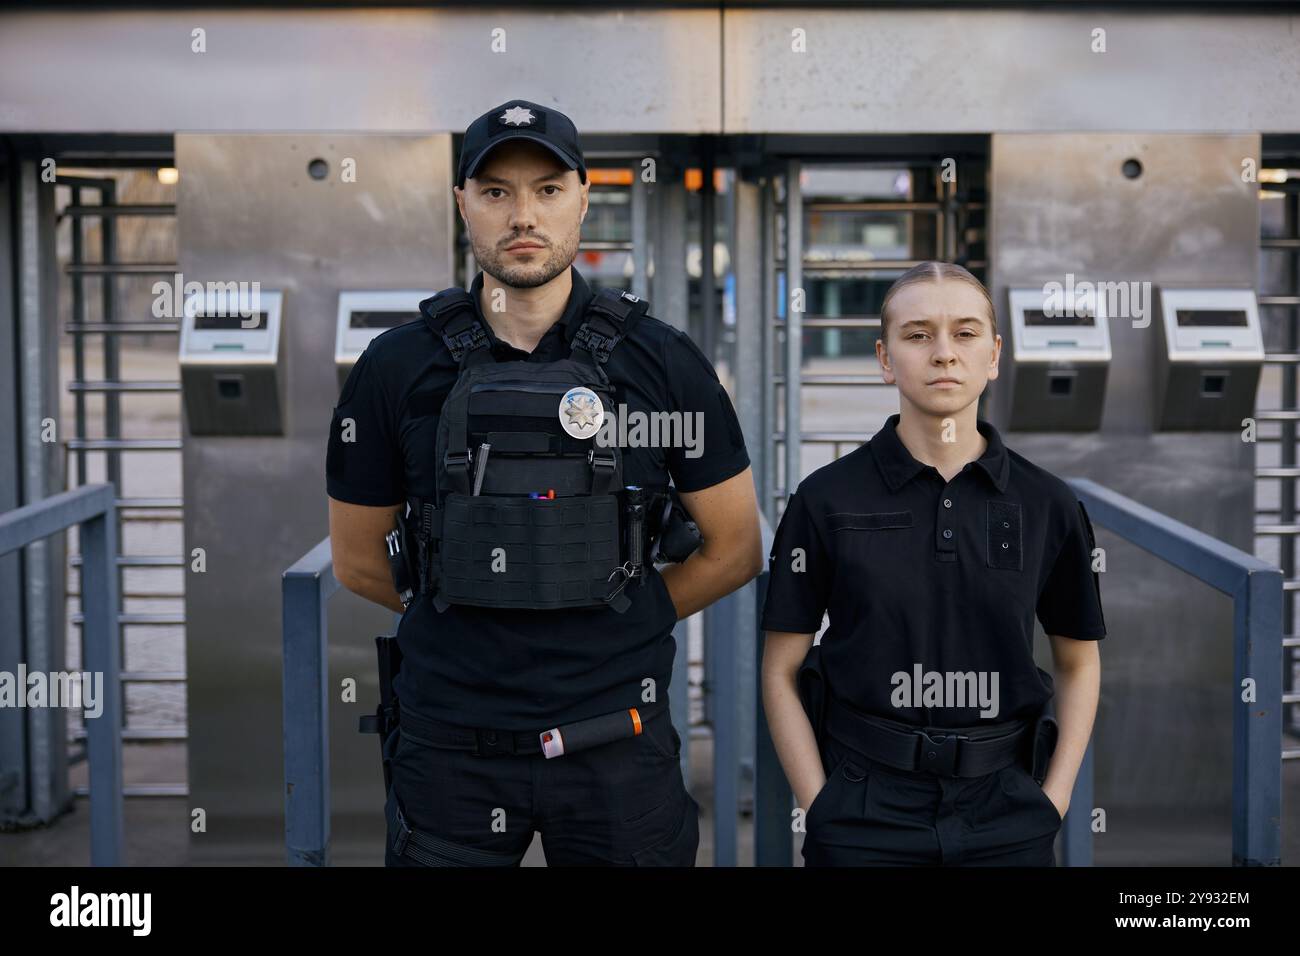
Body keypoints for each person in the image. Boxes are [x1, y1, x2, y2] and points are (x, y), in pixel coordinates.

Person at [326, 99, 763, 866]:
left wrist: (621, 621)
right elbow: (358, 558)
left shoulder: (662, 363)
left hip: (617, 745)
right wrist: (471, 607)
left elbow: (736, 547)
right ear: (462, 202)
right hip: (450, 752)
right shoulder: (395, 367)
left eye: (548, 190)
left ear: (584, 199)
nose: (522, 215)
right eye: (495, 191)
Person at [760, 261, 1106, 866]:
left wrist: (1053, 800)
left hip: (1007, 808)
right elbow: (780, 669)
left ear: (994, 355)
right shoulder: (826, 499)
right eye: (918, 335)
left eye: (965, 333)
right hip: (864, 810)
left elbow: (1078, 662)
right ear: (885, 358)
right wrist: (820, 805)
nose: (944, 352)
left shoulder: (1047, 503)